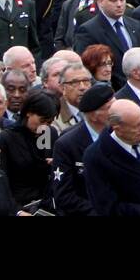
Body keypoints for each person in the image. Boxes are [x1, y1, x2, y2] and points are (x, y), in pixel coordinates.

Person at [51, 82, 114, 216]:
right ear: (93, 116)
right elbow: (64, 195)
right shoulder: (67, 144)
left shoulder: (121, 133)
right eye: (110, 108)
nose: (117, 112)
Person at [0, 89, 58, 210]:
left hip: (47, 202)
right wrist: (16, 211)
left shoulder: (47, 133)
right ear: (29, 113)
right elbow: (1, 180)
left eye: (48, 122)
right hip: (20, 203)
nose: (44, 126)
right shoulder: (7, 138)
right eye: (42, 121)